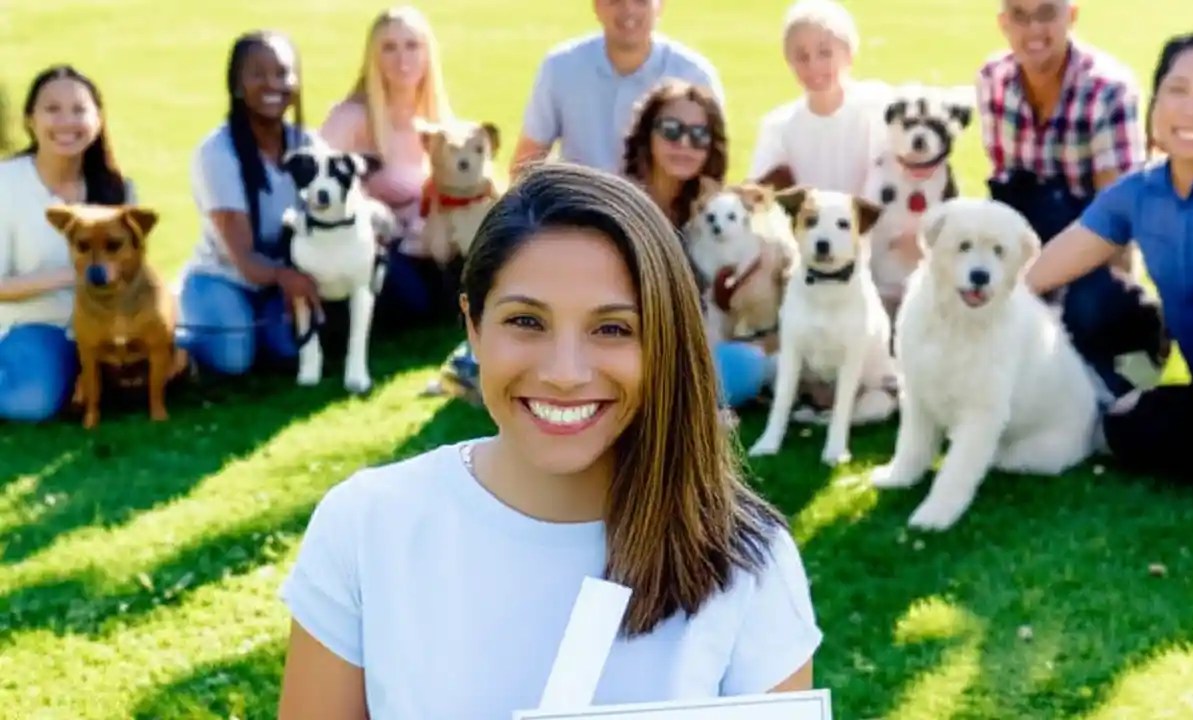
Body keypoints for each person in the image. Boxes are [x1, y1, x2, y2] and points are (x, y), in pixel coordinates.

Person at [277, 162, 822, 719]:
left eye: (613, 329)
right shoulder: (367, 527)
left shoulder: (748, 562)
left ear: (665, 341)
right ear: (473, 328)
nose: (565, 373)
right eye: (526, 322)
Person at [1024, 33, 1193, 523]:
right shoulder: (1137, 193)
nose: (1190, 109)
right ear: (1156, 100)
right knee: (1124, 427)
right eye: (1177, 90)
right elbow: (1040, 273)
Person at [976, 0, 1164, 396]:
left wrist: (1112, 296)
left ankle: (1140, 341)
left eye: (1047, 13)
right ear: (1002, 23)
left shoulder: (1108, 91)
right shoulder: (992, 79)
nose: (1033, 30)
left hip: (1091, 243)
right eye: (1019, 16)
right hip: (1026, 230)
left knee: (1089, 310)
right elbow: (1003, 188)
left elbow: (1119, 219)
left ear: (1072, 16)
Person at [176, 31, 320, 376]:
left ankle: (262, 328)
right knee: (233, 359)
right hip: (224, 276)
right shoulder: (217, 153)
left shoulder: (309, 143)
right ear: (237, 85)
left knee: (289, 350)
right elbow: (243, 259)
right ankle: (180, 338)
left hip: (278, 278)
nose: (272, 83)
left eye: (282, 73)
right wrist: (289, 278)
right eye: (257, 73)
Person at [620, 78, 770, 409]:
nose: (685, 143)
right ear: (648, 134)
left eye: (699, 135)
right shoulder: (621, 206)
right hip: (628, 348)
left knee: (755, 361)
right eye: (672, 130)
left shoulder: (710, 212)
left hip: (687, 349)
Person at [0, 65, 134, 422]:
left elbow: (133, 277)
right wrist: (74, 275)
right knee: (32, 402)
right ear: (30, 120)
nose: (66, 122)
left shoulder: (117, 189)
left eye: (79, 109)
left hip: (98, 330)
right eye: (52, 109)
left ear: (98, 119)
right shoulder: (6, 183)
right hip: (22, 326)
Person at [319, 6, 460, 326]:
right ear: (373, 57)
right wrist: (387, 221)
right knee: (414, 303)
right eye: (389, 48)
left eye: (412, 46)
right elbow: (314, 189)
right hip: (369, 246)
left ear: (427, 54)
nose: (402, 59)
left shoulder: (437, 120)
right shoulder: (350, 118)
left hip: (428, 243)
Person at [508, 0, 725, 177]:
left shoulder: (694, 75)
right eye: (615, 0)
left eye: (641, 1)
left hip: (665, 218)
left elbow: (713, 171)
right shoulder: (560, 66)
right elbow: (528, 160)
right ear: (596, 5)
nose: (628, 10)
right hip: (581, 214)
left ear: (661, 5)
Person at [747, 0, 893, 196]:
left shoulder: (879, 108)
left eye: (825, 53)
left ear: (849, 54)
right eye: (802, 57)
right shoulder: (778, 127)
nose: (813, 66)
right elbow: (757, 193)